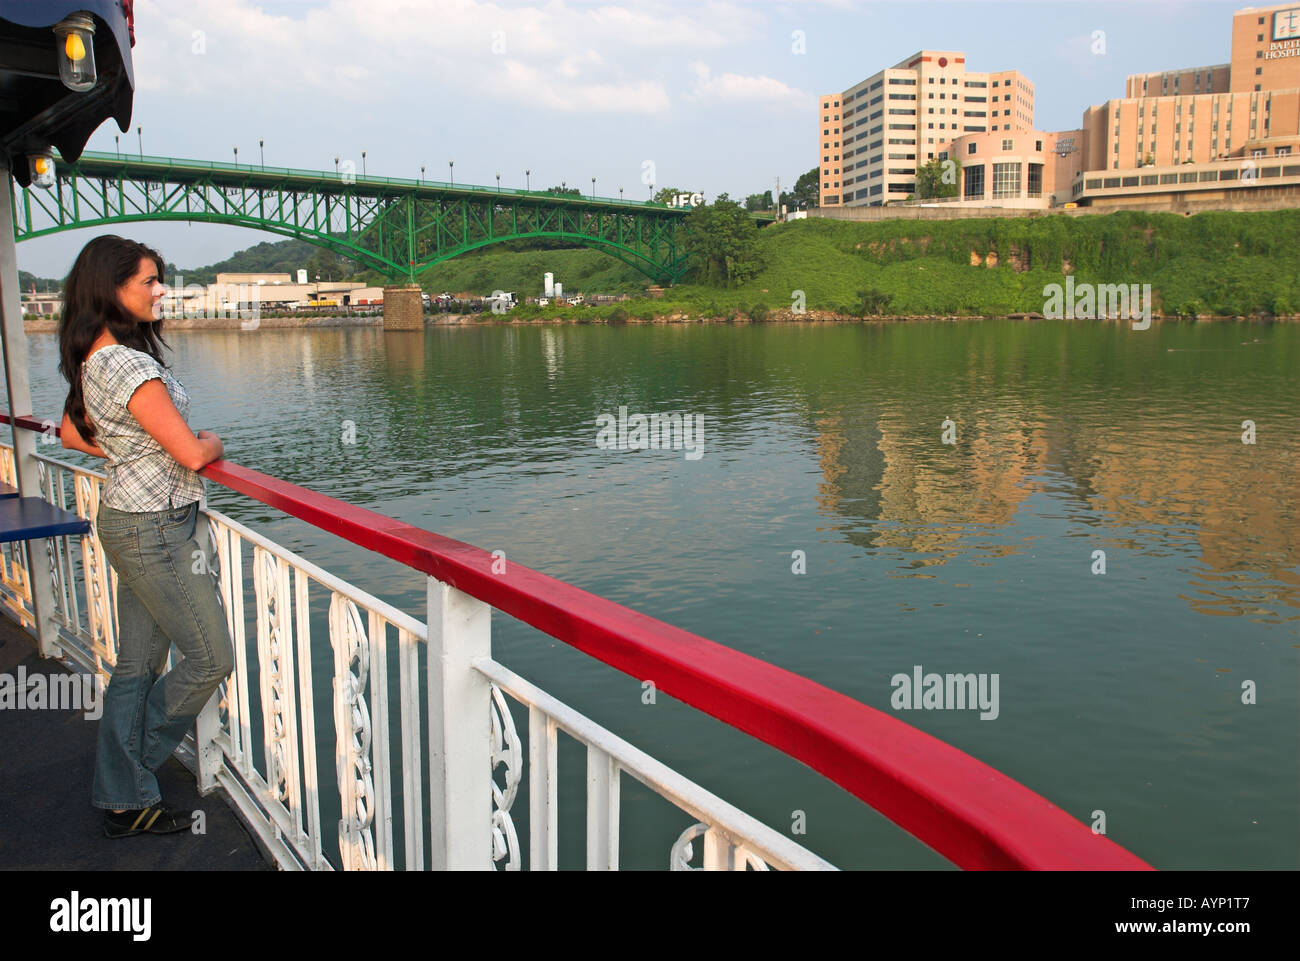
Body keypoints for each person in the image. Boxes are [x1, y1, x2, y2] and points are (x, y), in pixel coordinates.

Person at [56, 235, 233, 839]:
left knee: (136, 663)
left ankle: (121, 793)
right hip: (157, 528)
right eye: (149, 281)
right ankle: (128, 773)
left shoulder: (96, 356)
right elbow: (189, 452)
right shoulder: (128, 364)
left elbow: (70, 434)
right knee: (212, 657)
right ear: (113, 288)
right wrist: (213, 442)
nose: (161, 291)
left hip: (128, 519)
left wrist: (130, 455)